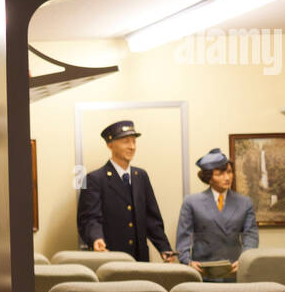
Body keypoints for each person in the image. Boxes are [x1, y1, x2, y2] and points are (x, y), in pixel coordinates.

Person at [76, 120, 177, 263]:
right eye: (126, 141)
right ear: (110, 145)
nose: (132, 147)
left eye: (134, 142)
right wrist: (96, 238)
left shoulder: (141, 176)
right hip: (110, 259)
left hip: (140, 259)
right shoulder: (94, 179)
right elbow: (89, 218)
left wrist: (164, 248)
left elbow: (151, 219)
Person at [175, 148, 259, 281]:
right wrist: (187, 262)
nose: (227, 178)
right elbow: (183, 237)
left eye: (229, 172)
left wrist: (245, 259)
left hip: (234, 270)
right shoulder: (191, 202)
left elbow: (251, 236)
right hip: (203, 272)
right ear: (209, 178)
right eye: (220, 174)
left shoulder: (244, 203)